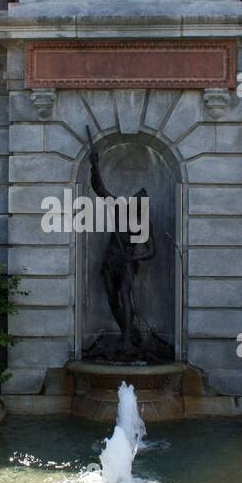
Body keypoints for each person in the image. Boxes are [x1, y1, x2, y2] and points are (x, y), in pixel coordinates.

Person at [87, 128, 156, 357]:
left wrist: (133, 257)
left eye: (138, 199)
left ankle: (127, 339)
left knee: (125, 294)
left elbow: (151, 251)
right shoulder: (119, 208)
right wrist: (93, 167)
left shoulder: (143, 223)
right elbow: (99, 189)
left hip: (127, 262)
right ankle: (128, 329)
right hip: (111, 260)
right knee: (112, 300)